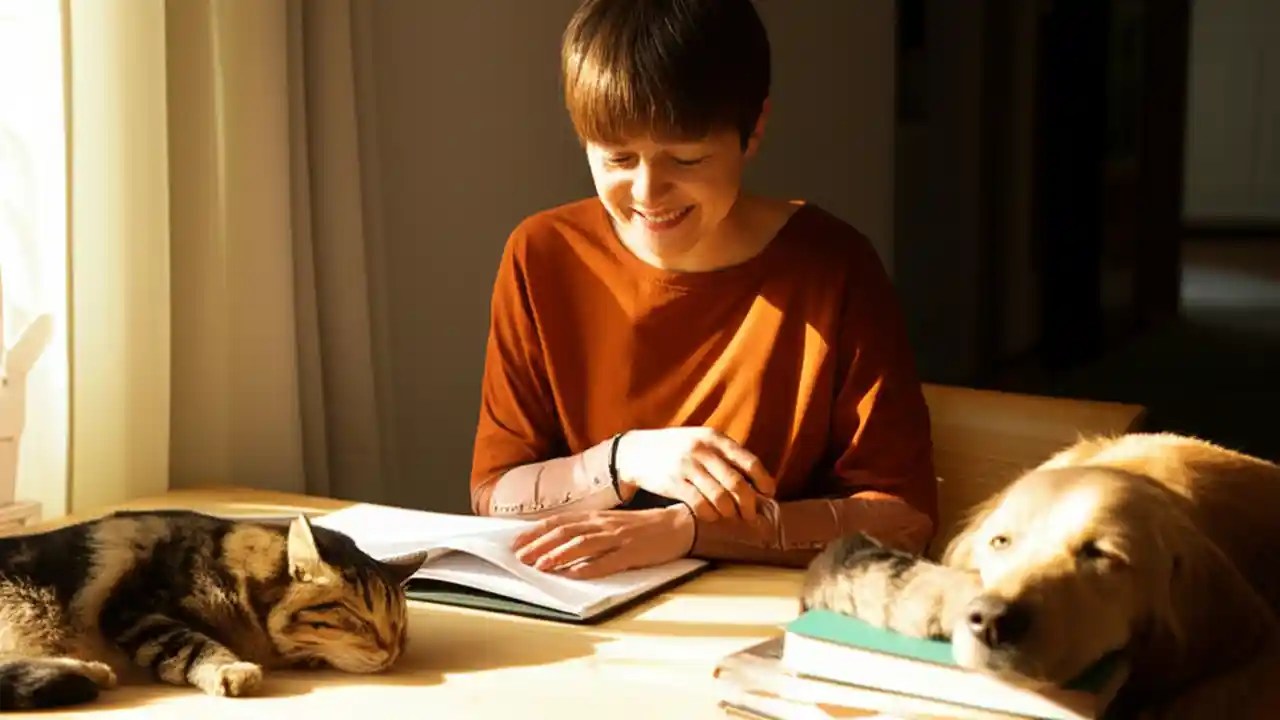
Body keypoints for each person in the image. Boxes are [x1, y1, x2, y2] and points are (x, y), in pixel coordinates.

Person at [469, 0, 938, 580]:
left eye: (686, 158)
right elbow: (496, 490)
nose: (648, 192)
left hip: (755, 611)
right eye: (617, 157)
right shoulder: (542, 254)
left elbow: (904, 516)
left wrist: (688, 530)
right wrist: (625, 459)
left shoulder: (833, 268)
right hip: (587, 607)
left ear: (754, 129)